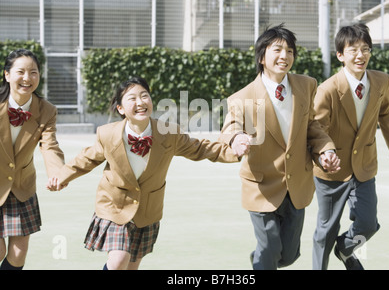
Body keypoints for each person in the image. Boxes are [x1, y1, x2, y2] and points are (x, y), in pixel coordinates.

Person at [47, 77, 247, 270]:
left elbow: (199, 148)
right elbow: (86, 159)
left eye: (144, 96)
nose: (140, 102)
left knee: (132, 266)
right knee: (118, 261)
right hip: (114, 205)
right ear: (120, 108)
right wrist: (62, 176)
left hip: (148, 210)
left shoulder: (169, 133)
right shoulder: (107, 134)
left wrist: (233, 151)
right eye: (132, 98)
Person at [219, 23, 340, 270]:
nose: (284, 56)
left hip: (297, 185)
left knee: (288, 255)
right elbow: (229, 127)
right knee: (271, 250)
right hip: (261, 186)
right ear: (262, 56)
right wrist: (236, 138)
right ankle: (263, 260)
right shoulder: (241, 98)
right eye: (277, 49)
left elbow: (312, 127)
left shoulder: (306, 86)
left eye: (290, 51)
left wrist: (326, 150)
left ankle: (260, 260)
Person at [312, 23, 389, 270]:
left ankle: (344, 250)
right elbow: (317, 129)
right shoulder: (327, 89)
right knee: (326, 230)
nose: (360, 55)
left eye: (365, 49)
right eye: (353, 50)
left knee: (367, 225)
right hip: (331, 170)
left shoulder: (381, 81)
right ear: (340, 55)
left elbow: (387, 115)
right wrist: (325, 154)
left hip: (364, 165)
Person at [0, 49, 65, 270]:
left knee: (18, 253)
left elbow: (49, 145)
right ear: (7, 75)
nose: (27, 78)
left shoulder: (46, 110)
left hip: (21, 185)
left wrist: (57, 172)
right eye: (21, 72)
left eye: (33, 72)